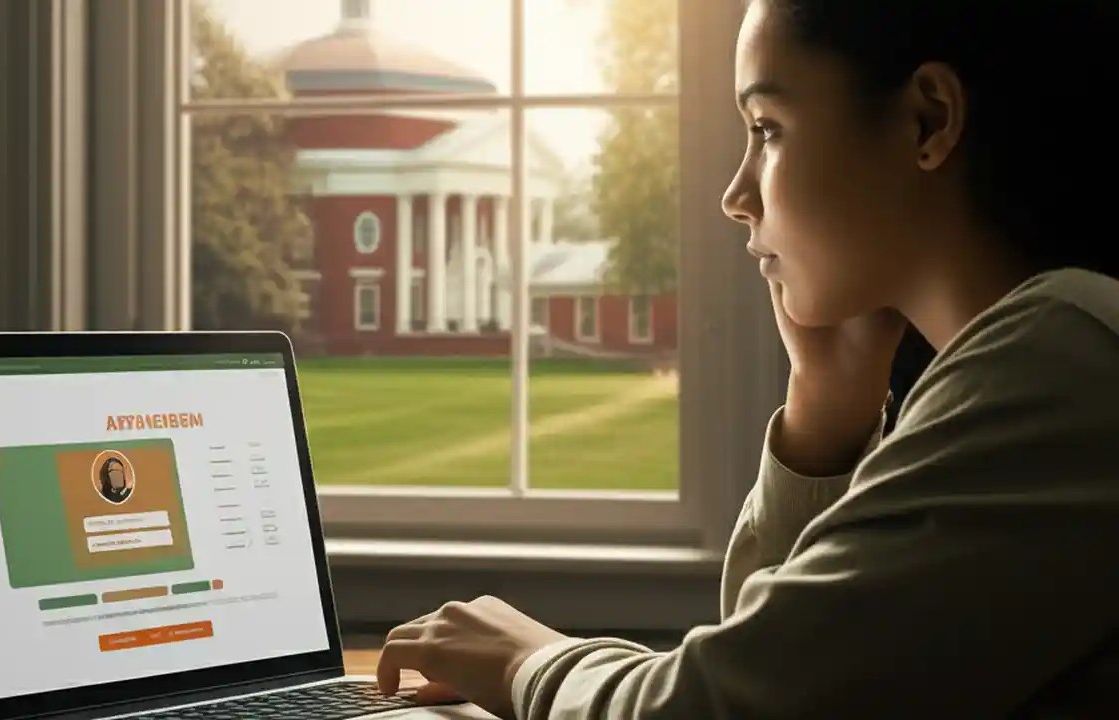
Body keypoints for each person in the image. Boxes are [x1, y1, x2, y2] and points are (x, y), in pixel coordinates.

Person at [374, 0, 1119, 717]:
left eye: (767, 128)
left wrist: (524, 662)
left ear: (929, 119)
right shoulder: (1029, 368)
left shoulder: (1066, 360)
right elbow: (786, 666)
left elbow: (720, 705)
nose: (736, 194)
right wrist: (825, 404)